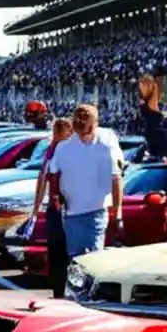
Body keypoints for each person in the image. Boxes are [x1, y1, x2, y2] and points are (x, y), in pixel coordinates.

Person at [48, 104, 123, 259]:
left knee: (93, 261)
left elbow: (116, 177)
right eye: (79, 127)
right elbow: (52, 174)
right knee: (75, 261)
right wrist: (57, 196)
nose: (84, 133)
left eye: (87, 127)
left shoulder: (106, 143)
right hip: (72, 214)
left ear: (95, 124)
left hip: (96, 211)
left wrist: (118, 210)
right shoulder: (64, 147)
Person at [28, 118, 74, 297]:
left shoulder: (68, 151)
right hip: (56, 208)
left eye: (59, 132)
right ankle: (59, 290)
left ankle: (64, 289)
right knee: (57, 251)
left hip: (67, 206)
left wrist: (36, 207)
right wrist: (36, 208)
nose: (55, 136)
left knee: (64, 251)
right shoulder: (52, 152)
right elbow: (42, 180)